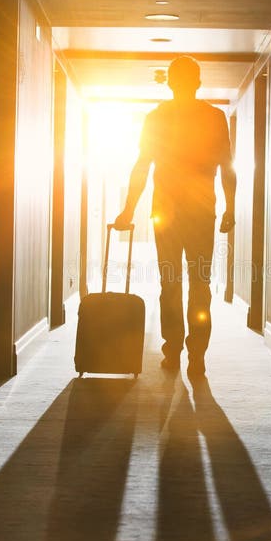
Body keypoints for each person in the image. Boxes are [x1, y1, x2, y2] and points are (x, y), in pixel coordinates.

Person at [114, 55, 236, 379]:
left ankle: (173, 351)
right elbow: (227, 167)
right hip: (201, 213)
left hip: (165, 213)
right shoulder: (214, 118)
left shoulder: (157, 117)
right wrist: (230, 209)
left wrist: (128, 209)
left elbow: (142, 165)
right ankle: (196, 355)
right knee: (200, 284)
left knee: (170, 281)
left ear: (169, 82)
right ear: (197, 82)